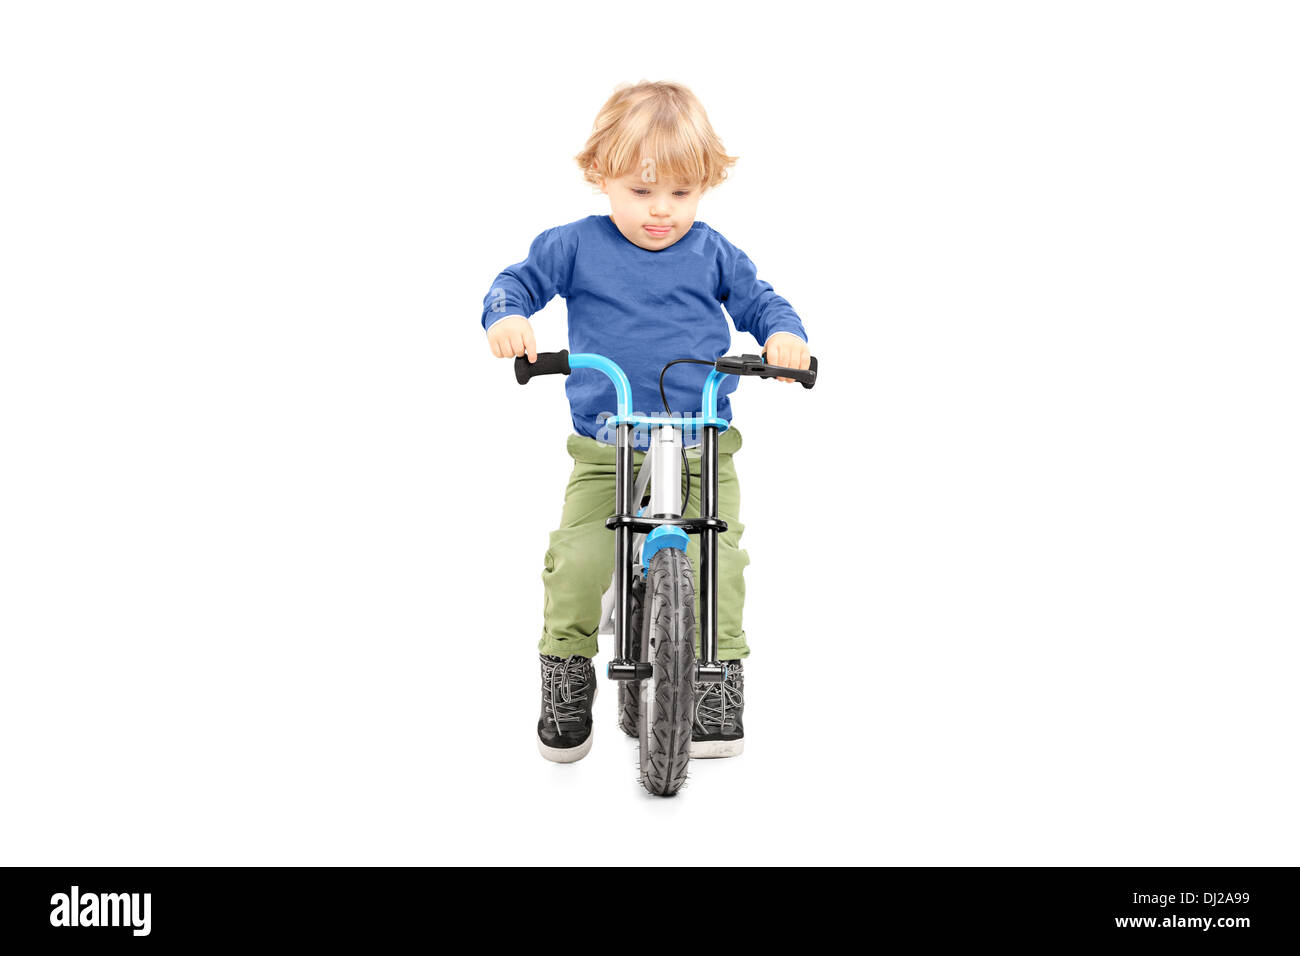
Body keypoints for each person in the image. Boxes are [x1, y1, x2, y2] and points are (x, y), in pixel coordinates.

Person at [481, 81, 811, 764]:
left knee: (720, 557)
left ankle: (716, 679)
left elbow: (762, 302)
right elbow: (513, 285)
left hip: (700, 445)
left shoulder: (713, 251)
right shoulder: (574, 245)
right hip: (610, 444)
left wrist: (784, 338)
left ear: (705, 188)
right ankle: (566, 676)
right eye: (642, 191)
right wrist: (509, 317)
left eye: (682, 194)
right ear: (602, 176)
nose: (662, 211)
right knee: (575, 558)